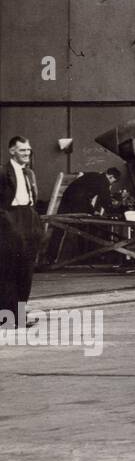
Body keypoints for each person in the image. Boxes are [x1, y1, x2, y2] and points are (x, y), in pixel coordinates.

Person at [0, 136, 41, 327]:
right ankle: (6, 318)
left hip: (29, 219)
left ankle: (19, 317)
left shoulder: (29, 173)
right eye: (22, 150)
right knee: (9, 271)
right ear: (12, 151)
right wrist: (7, 221)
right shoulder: (2, 172)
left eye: (28, 150)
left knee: (26, 271)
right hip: (10, 221)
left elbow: (33, 198)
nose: (26, 153)